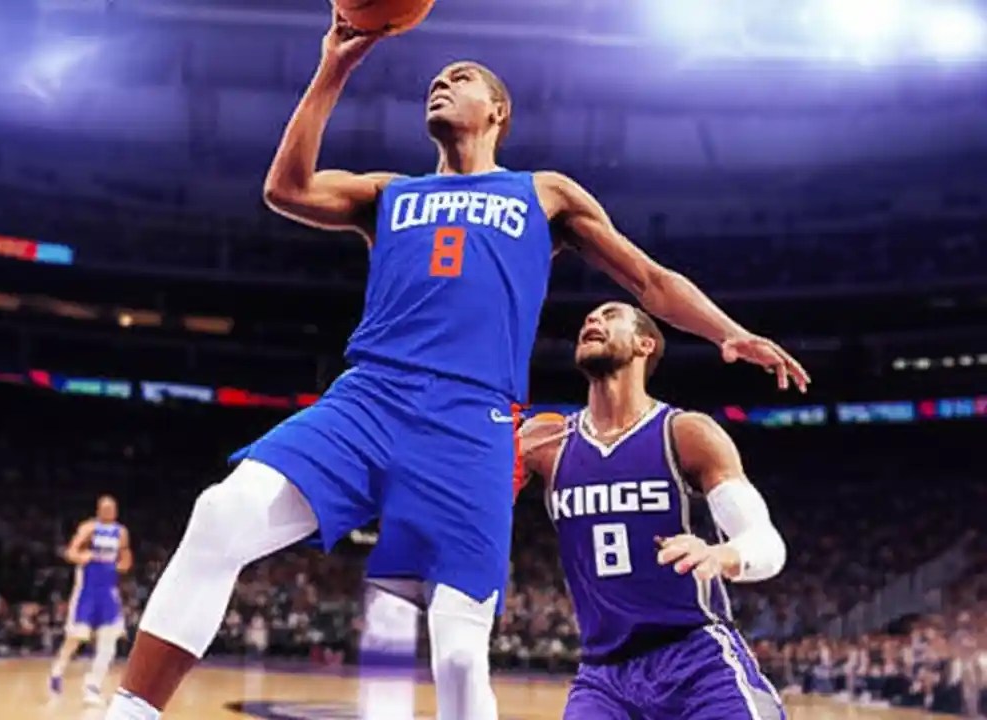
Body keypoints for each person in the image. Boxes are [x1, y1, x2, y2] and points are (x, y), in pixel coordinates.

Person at [105, 13, 809, 720]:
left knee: (461, 650)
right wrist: (335, 67)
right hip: (369, 398)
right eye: (436, 81)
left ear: (498, 111)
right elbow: (286, 190)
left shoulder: (544, 192)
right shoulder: (387, 192)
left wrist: (728, 333)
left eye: (460, 78)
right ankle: (129, 712)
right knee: (220, 512)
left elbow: (649, 281)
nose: (440, 83)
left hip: (472, 419)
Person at [518, 302, 788, 719]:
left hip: (696, 659)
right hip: (602, 674)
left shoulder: (686, 433)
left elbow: (767, 544)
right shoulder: (545, 444)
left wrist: (721, 555)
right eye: (588, 316)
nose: (592, 320)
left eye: (610, 315)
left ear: (645, 344)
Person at [50, 496, 132, 706]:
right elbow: (70, 552)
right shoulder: (89, 528)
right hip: (87, 589)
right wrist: (81, 557)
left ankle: (93, 686)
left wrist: (123, 565)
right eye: (105, 508)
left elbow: (125, 556)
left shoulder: (121, 532)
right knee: (76, 637)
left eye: (112, 508)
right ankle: (57, 671)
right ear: (98, 510)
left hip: (108, 591)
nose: (109, 511)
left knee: (109, 640)